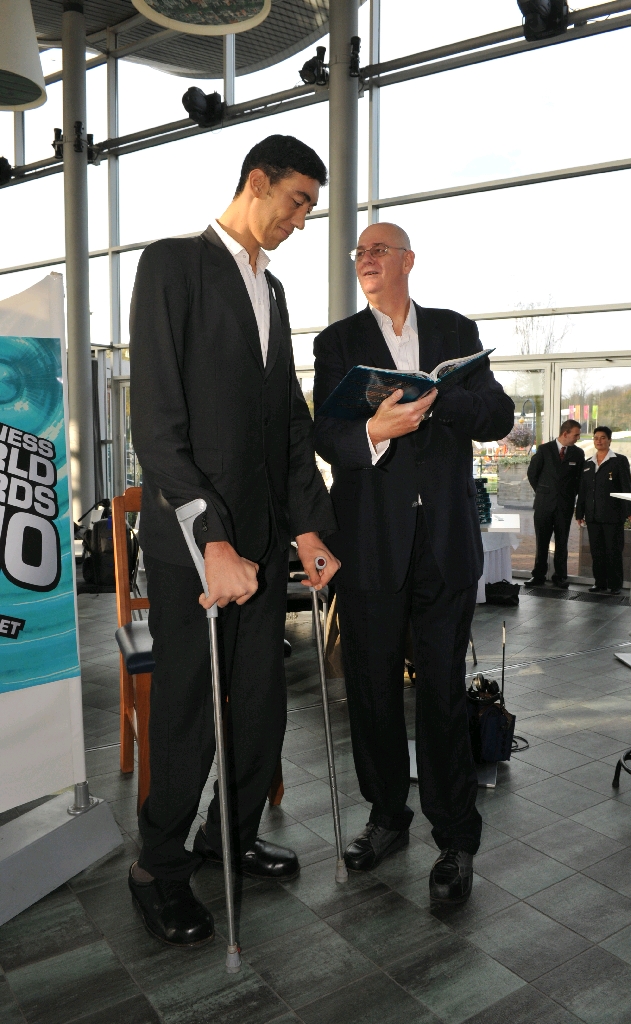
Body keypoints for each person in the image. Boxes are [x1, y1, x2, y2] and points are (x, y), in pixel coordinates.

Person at [128, 135, 339, 948]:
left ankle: (229, 833)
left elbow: (285, 422)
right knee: (189, 707)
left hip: (260, 538)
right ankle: (159, 867)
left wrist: (309, 525)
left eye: (309, 208)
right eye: (296, 202)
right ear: (257, 183)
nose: (299, 219)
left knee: (257, 707)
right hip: (195, 546)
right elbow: (158, 425)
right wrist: (210, 540)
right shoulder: (171, 266)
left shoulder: (273, 290)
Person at [313, 222, 514, 903]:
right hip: (368, 542)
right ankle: (385, 815)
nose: (366, 261)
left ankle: (455, 834)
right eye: (359, 253)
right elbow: (324, 434)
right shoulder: (337, 342)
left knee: (440, 691)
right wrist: (373, 429)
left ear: (406, 261)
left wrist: (438, 401)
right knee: (368, 689)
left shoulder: (455, 331)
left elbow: (496, 412)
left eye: (378, 251)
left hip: (445, 542)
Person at [576, 425, 631, 594]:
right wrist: (579, 513)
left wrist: (630, 511)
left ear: (609, 440)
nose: (599, 441)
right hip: (593, 515)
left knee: (613, 551)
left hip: (613, 515)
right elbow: (583, 491)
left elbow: (626, 487)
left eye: (603, 438)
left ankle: (615, 585)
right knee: (597, 551)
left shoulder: (619, 461)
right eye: (596, 438)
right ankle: (600, 582)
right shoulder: (588, 463)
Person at [525, 419, 584, 589]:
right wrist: (544, 491)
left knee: (562, 542)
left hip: (564, 506)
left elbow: (579, 480)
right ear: (565, 433)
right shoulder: (544, 450)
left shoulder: (577, 454)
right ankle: (538, 576)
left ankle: (560, 577)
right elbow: (532, 474)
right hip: (544, 505)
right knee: (541, 542)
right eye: (576, 434)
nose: (578, 438)